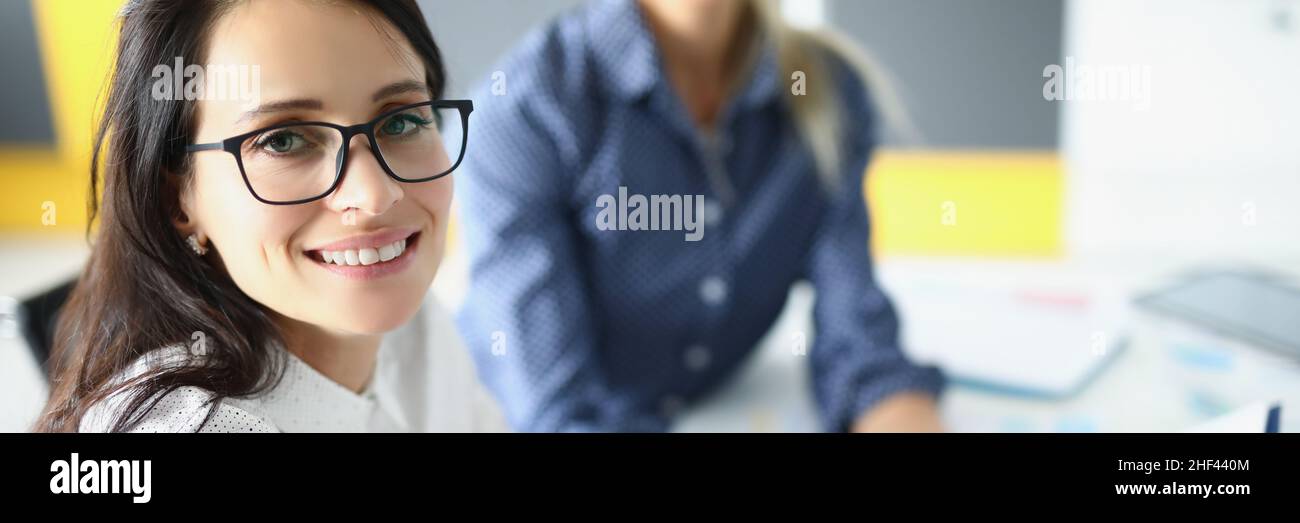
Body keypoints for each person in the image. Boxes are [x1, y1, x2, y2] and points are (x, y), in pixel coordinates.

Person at [456, 0, 945, 432]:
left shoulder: (827, 93)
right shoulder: (523, 111)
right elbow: (556, 412)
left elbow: (860, 345)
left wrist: (897, 413)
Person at [34, 0, 506, 433]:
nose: (376, 194)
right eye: (282, 140)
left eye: (402, 121)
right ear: (178, 199)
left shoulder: (418, 324)